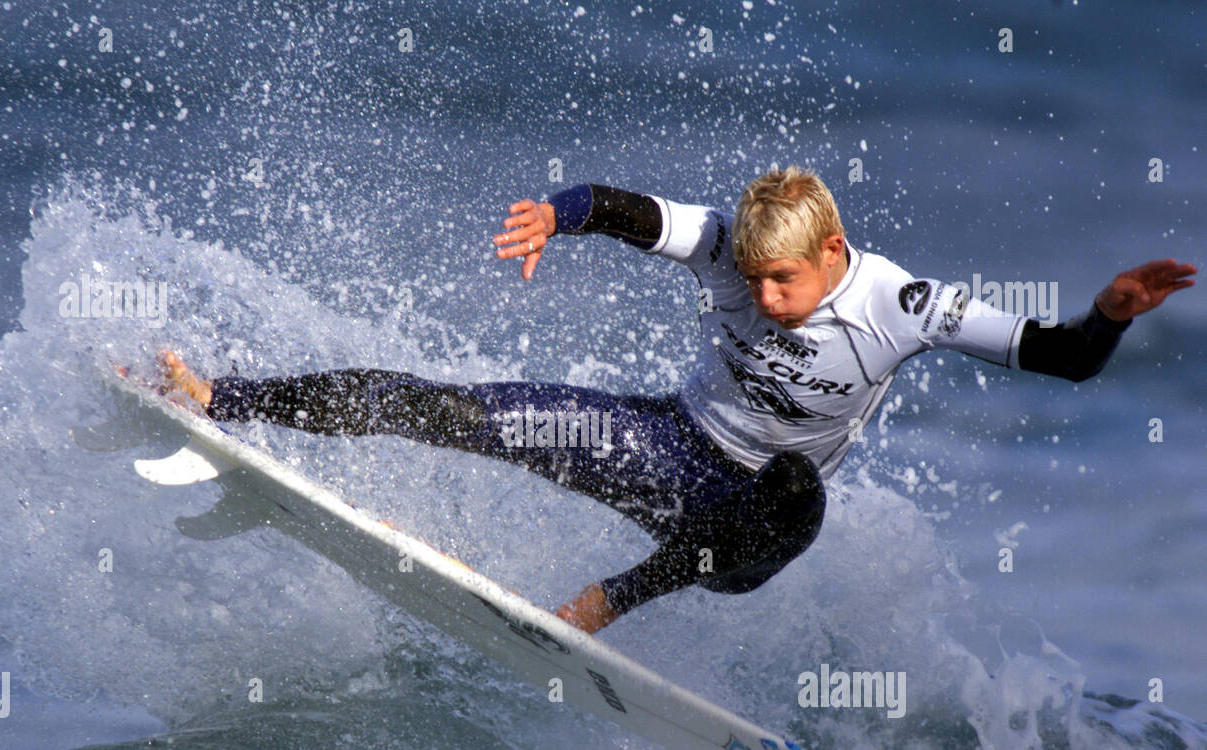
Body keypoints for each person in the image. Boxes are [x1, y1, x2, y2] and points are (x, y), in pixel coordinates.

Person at [157, 167, 1195, 634]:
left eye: (781, 283)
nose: (761, 297)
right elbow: (617, 206)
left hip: (752, 526)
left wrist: (1108, 313)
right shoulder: (732, 246)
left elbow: (1061, 358)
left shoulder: (907, 304)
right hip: (665, 443)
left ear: (832, 253)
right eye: (748, 279)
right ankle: (224, 397)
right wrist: (551, 218)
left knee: (790, 484)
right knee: (460, 409)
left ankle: (608, 600)